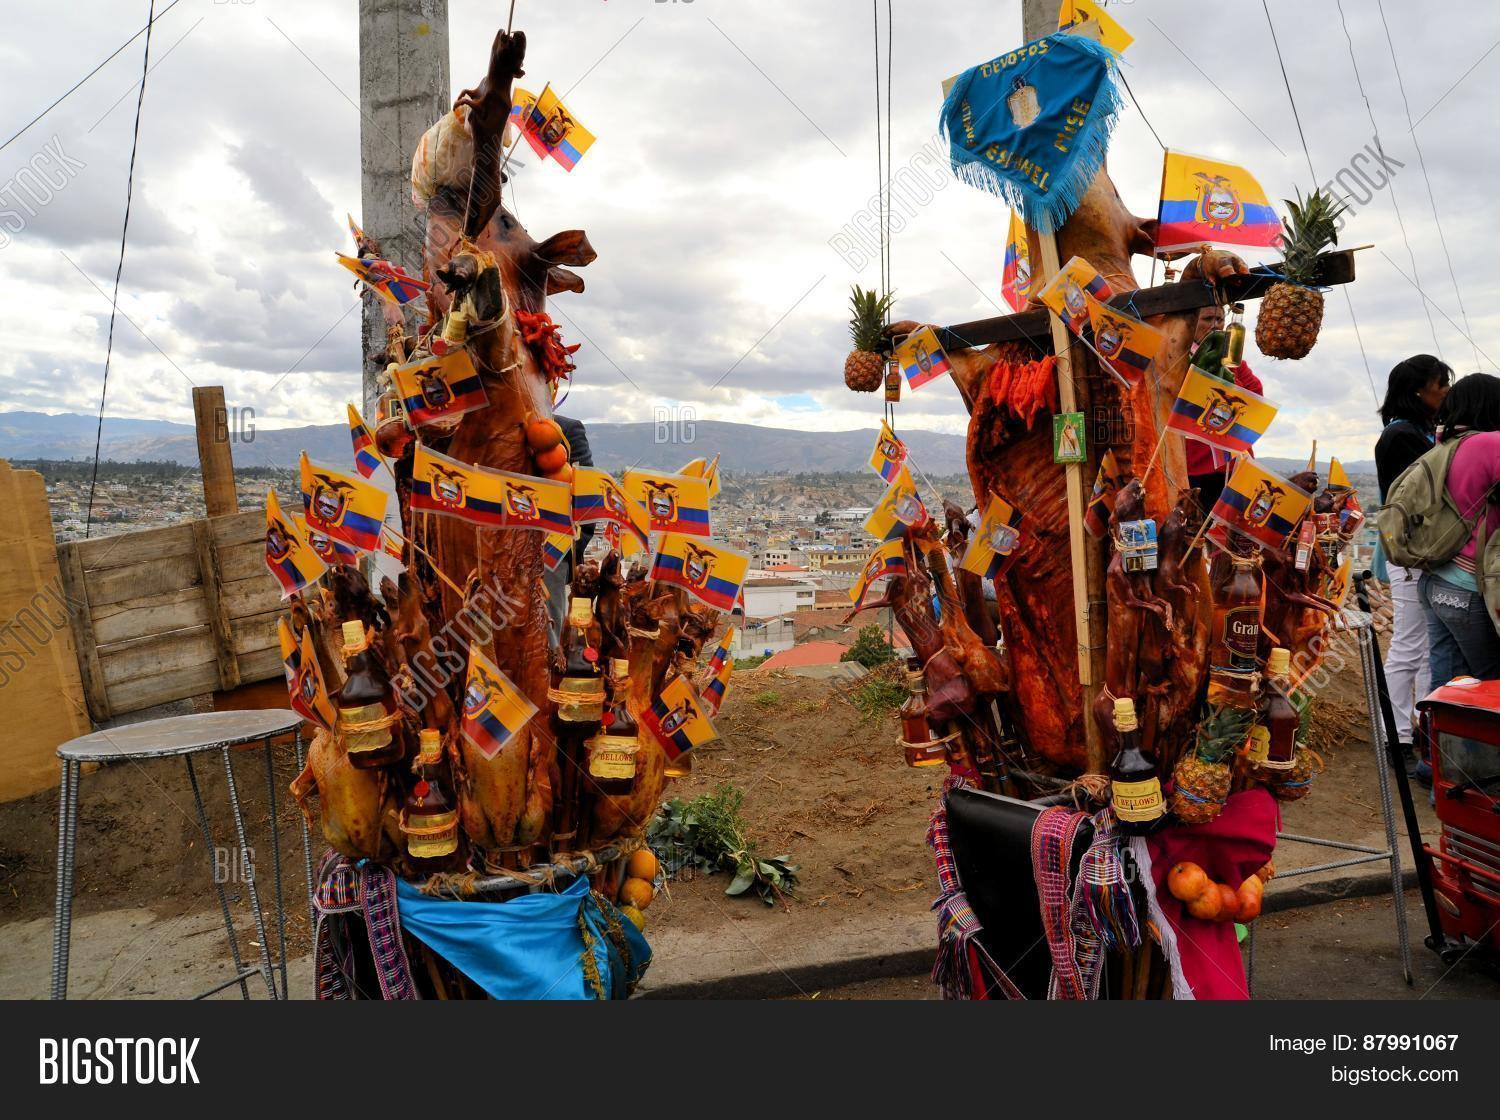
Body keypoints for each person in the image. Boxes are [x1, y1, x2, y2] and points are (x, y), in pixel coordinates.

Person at [1373, 354, 1452, 779]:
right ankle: (1395, 732)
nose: (1445, 391)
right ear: (1419, 390)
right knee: (1408, 643)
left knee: (1422, 645)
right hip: (1412, 552)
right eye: (1441, 384)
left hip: (1419, 553)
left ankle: (1413, 728)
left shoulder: (1412, 432)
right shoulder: (1402, 437)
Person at [1419, 373, 1500, 688]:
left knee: (1449, 688)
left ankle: (1431, 738)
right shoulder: (1490, 444)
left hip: (1435, 581)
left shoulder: (1444, 444)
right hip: (1467, 586)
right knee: (1491, 685)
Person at [1185, 304, 1264, 512]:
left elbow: (1256, 392)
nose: (1215, 326)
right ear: (1191, 322)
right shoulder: (1179, 358)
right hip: (1199, 466)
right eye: (1208, 319)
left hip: (1234, 464)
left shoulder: (1230, 358)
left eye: (1220, 320)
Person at [544, 415, 594, 646]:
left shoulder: (567, 429)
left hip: (550, 551)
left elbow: (587, 500)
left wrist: (566, 556)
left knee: (548, 631)